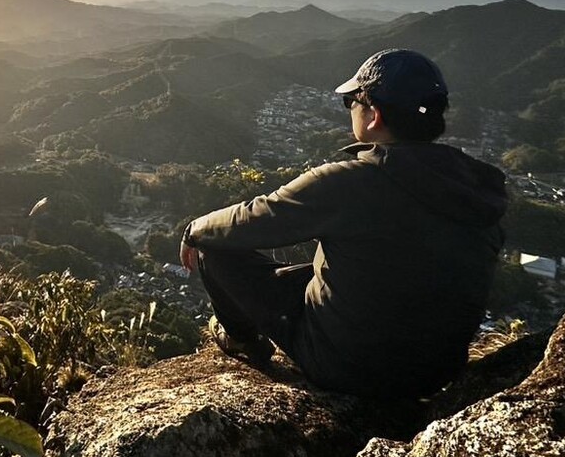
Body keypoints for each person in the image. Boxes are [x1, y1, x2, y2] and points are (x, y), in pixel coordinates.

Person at [179, 48, 507, 398]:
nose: (350, 108)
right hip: (435, 372)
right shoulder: (476, 188)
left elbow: (253, 219)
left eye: (351, 101)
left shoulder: (352, 182)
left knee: (213, 248)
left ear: (374, 115)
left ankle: (243, 342)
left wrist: (194, 230)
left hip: (345, 366)